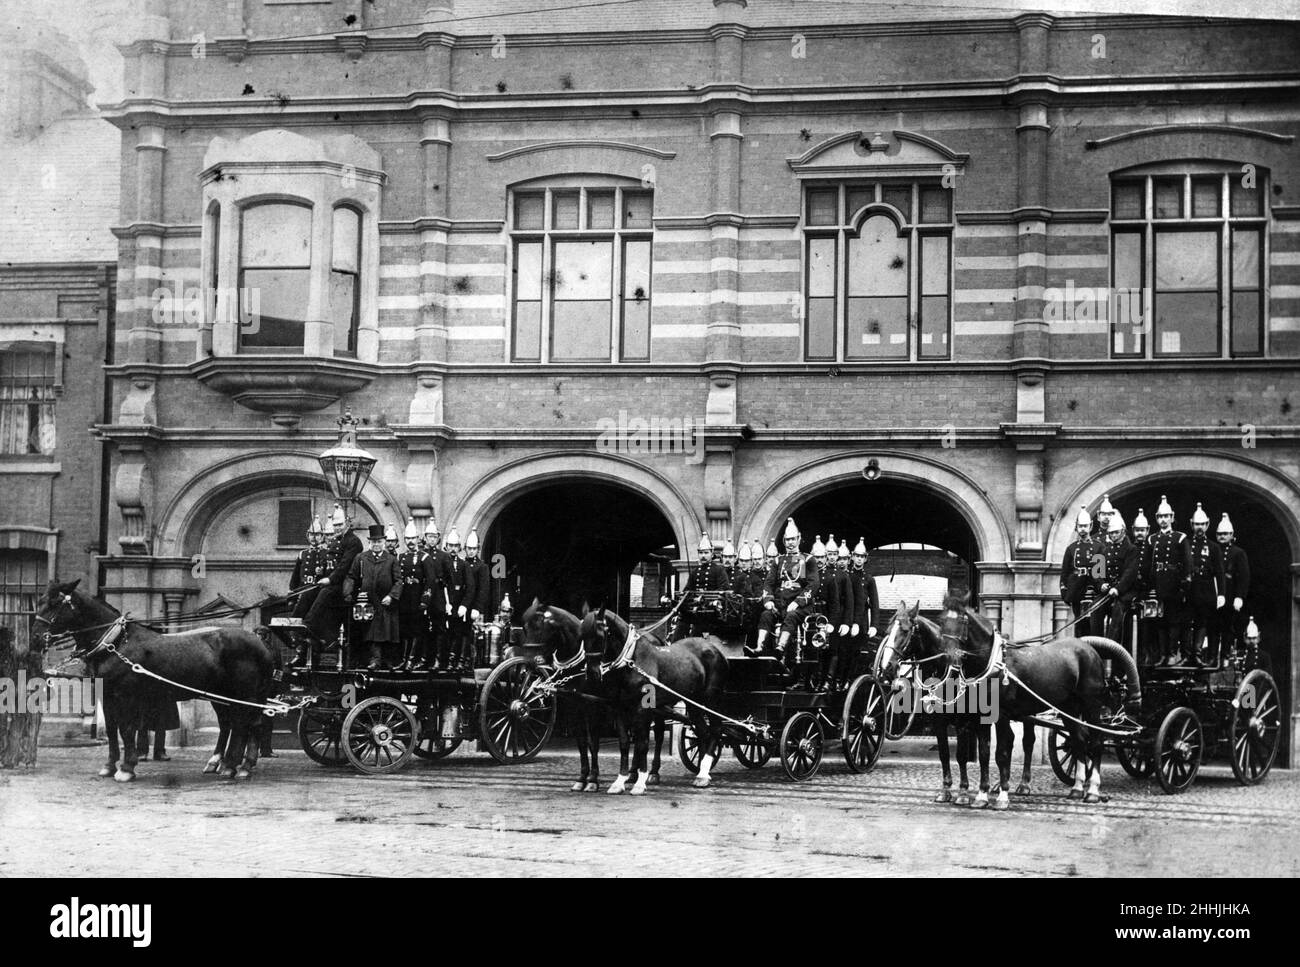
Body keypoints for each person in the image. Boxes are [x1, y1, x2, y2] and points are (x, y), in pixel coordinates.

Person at [756, 518, 820, 684]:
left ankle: (780, 648)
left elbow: (813, 585)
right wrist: (768, 600)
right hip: (781, 605)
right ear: (784, 541)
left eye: (793, 539)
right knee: (766, 615)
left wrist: (797, 602)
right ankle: (759, 647)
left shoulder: (808, 560)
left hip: (801, 608)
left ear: (799, 539)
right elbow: (769, 583)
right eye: (787, 540)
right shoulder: (779, 561)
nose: (790, 543)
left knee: (792, 617)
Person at [302, 504, 363, 655]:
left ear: (347, 523)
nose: (337, 528)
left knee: (325, 592)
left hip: (346, 585)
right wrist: (322, 573)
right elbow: (329, 562)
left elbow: (344, 565)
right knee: (307, 593)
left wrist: (329, 580)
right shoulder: (336, 540)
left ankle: (308, 625)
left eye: (340, 525)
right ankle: (295, 626)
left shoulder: (353, 541)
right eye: (335, 525)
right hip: (333, 581)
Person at [344, 524, 403, 671]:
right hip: (367, 603)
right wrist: (348, 593)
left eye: (379, 542)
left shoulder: (391, 560)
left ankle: (387, 662)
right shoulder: (361, 558)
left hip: (385, 602)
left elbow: (398, 581)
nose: (376, 545)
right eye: (373, 542)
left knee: (387, 633)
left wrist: (392, 596)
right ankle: (373, 660)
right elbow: (351, 577)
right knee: (369, 633)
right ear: (369, 542)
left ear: (384, 542)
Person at [1149, 495, 1192, 667]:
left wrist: (1184, 585)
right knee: (1160, 621)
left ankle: (1173, 653)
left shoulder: (1180, 538)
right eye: (1160, 517)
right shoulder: (1152, 539)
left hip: (1174, 585)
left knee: (1173, 621)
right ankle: (1162, 654)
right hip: (1158, 584)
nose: (1163, 520)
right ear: (1157, 518)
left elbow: (1188, 564)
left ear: (1172, 517)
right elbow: (1147, 565)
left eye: (1166, 516)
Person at [1185, 502, 1225, 668]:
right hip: (1189, 589)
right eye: (1196, 524)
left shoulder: (1213, 547)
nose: (1199, 527)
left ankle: (1197, 654)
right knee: (1187, 621)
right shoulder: (1185, 543)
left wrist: (1221, 594)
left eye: (1202, 524)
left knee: (1202, 622)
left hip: (1206, 590)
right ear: (1191, 524)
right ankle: (1187, 655)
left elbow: (1220, 572)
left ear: (1207, 524)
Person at [289, 516, 332, 667]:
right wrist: (292, 595)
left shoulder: (327, 554)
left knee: (313, 627)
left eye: (318, 535)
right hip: (303, 594)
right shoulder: (303, 554)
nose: (315, 538)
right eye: (312, 535)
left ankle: (314, 656)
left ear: (323, 536)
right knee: (294, 624)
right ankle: (300, 652)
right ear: (308, 536)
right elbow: (295, 579)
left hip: (318, 596)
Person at [1092, 510, 1138, 643]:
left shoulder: (1131, 549)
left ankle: (1112, 647)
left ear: (1123, 531)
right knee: (1095, 607)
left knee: (1118, 609)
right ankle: (1097, 645)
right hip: (1108, 590)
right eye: (1111, 533)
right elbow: (1096, 572)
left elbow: (1130, 573)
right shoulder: (1103, 549)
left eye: (1116, 532)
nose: (1113, 535)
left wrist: (1118, 588)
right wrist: (1101, 584)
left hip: (1125, 591)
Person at [1214, 512, 1251, 668]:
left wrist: (1239, 597)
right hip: (1214, 595)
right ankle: (1212, 656)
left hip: (1230, 596)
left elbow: (1244, 576)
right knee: (1213, 627)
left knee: (1227, 627)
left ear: (1231, 535)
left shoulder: (1238, 553)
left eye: (1226, 534)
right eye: (1220, 534)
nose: (1223, 536)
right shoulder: (1213, 549)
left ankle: (1225, 656)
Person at [819, 539, 854, 691]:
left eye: (835, 555)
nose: (832, 557)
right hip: (821, 615)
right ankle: (819, 680)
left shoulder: (843, 576)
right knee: (819, 649)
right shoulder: (820, 573)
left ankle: (831, 680)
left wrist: (846, 622)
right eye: (829, 554)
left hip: (837, 618)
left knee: (835, 649)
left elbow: (849, 602)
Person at [1060, 505, 1103, 627]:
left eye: (1085, 526)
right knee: (1079, 623)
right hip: (1076, 589)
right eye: (1080, 526)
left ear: (1090, 526)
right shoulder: (1071, 548)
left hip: (1093, 589)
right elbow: (1065, 572)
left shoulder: (1098, 547)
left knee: (1094, 624)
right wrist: (1064, 591)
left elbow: (1101, 571)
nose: (1083, 529)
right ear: (1076, 527)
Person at [846, 537, 880, 689]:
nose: (859, 560)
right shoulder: (846, 576)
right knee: (845, 651)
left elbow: (875, 604)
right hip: (846, 620)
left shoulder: (869, 579)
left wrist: (874, 625)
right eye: (857, 556)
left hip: (862, 623)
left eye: (862, 557)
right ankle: (844, 679)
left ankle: (855, 682)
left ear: (865, 558)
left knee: (859, 654)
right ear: (852, 556)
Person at [395, 521, 428, 672]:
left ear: (418, 538)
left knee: (416, 631)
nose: (410, 541)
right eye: (407, 538)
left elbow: (430, 582)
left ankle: (412, 659)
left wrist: (425, 600)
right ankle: (403, 659)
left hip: (417, 600)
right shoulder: (401, 557)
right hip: (404, 600)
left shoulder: (424, 557)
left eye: (413, 538)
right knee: (405, 630)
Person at [419, 517, 451, 670]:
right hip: (424, 593)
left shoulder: (444, 556)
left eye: (434, 537)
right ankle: (425, 658)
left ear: (438, 538)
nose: (431, 540)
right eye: (429, 537)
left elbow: (449, 577)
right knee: (424, 627)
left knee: (439, 628)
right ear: (425, 538)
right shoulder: (420, 554)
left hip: (438, 595)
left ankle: (439, 660)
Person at [1129, 508, 1155, 664]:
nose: (1140, 533)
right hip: (1130, 594)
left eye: (1143, 530)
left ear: (1147, 530)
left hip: (1147, 595)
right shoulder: (1129, 549)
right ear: (1133, 530)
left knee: (1147, 633)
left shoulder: (1152, 549)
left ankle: (1144, 665)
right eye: (1137, 530)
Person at [463, 528, 492, 668]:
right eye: (469, 548)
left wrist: (477, 608)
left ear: (478, 549)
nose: (471, 551)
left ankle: (471, 662)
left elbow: (483, 590)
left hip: (473, 607)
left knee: (473, 637)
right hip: (461, 606)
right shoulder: (462, 564)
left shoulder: (482, 566)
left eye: (474, 549)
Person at [442, 527, 470, 671]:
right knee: (445, 634)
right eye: (450, 546)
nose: (453, 549)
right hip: (446, 605)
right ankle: (445, 661)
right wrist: (443, 604)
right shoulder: (442, 562)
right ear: (446, 546)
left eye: (455, 546)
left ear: (459, 548)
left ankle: (455, 661)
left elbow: (469, 587)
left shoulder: (464, 565)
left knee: (458, 634)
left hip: (459, 607)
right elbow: (440, 585)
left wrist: (464, 605)